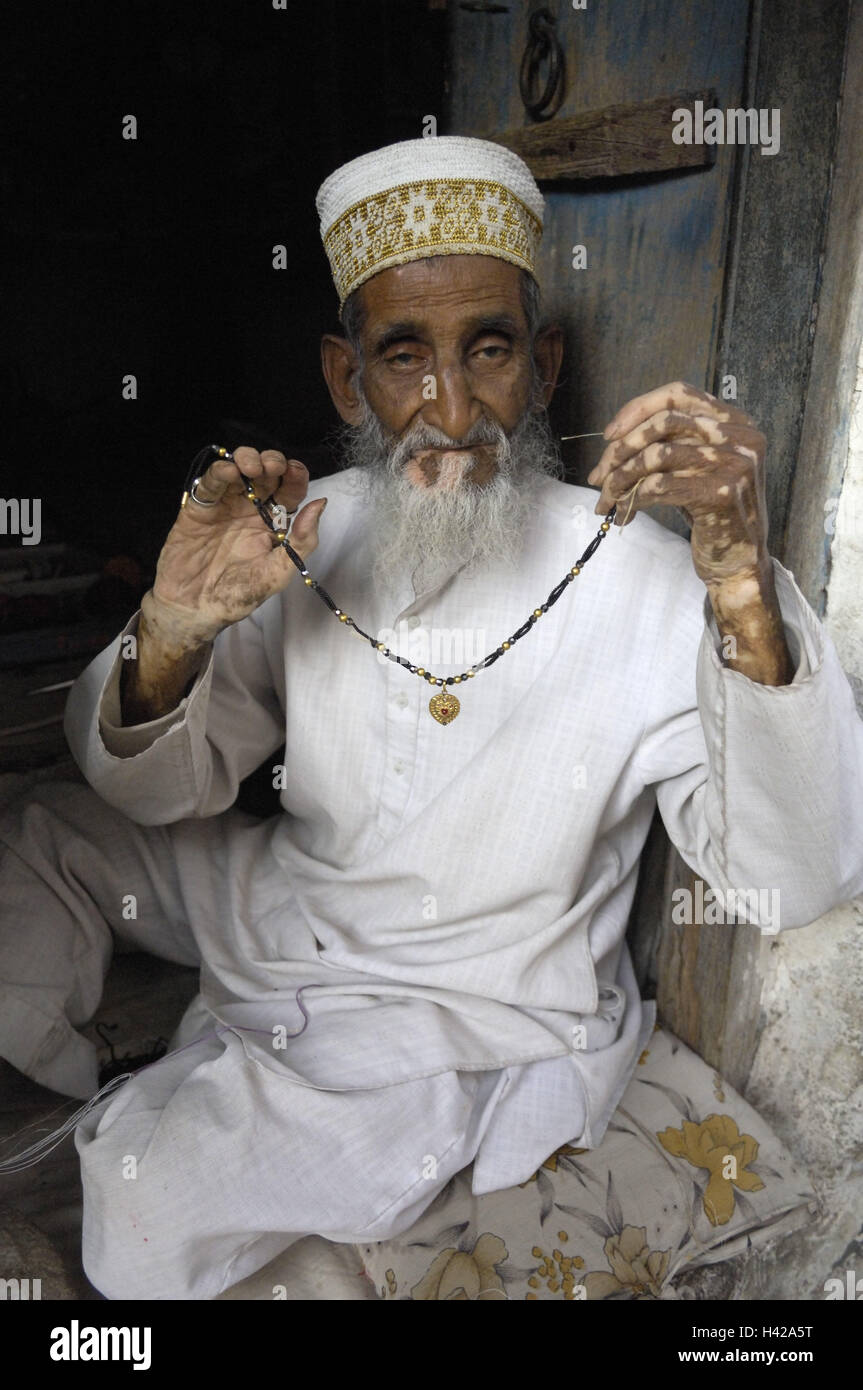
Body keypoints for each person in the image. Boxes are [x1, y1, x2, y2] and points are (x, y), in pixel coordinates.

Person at [1, 136, 861, 1301]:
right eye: (404, 356)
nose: (451, 409)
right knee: (39, 826)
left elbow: (796, 871)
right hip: (285, 910)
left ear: (543, 364)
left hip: (469, 1000)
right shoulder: (308, 531)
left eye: (489, 350)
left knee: (145, 1221)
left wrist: (745, 588)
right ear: (347, 381)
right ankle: (72, 1056)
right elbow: (162, 787)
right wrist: (172, 627)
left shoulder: (650, 579)